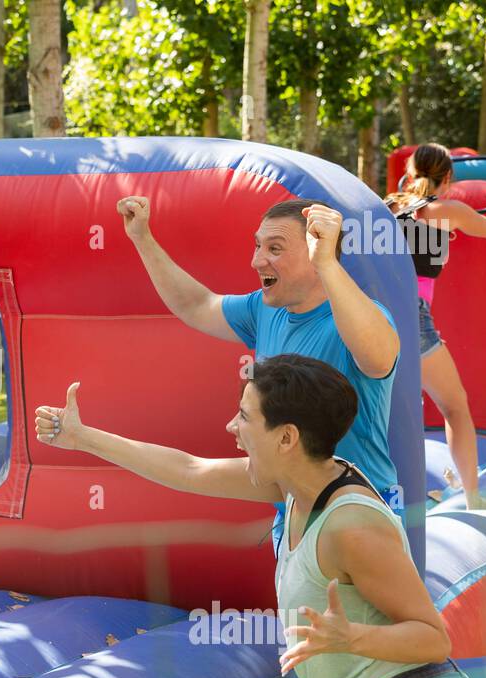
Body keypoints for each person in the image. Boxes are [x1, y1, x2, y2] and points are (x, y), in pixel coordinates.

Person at [33, 354, 486, 678]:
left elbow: (433, 639)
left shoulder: (350, 527)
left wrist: (352, 637)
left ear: (287, 438)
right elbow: (188, 470)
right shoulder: (296, 483)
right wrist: (83, 438)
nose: (231, 426)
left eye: (244, 416)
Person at [119, 195, 402, 548]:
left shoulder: (360, 318)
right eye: (258, 246)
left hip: (357, 517)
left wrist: (327, 262)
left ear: (316, 253)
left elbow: (378, 358)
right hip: (294, 512)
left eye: (275, 248)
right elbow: (196, 305)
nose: (257, 260)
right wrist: (142, 238)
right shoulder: (266, 309)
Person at [385, 142, 486, 510]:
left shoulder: (389, 206)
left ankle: (387, 497)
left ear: (409, 173)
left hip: (375, 314)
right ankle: (473, 497)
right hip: (412, 318)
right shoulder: (447, 210)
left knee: (387, 412)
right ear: (447, 178)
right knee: (455, 407)